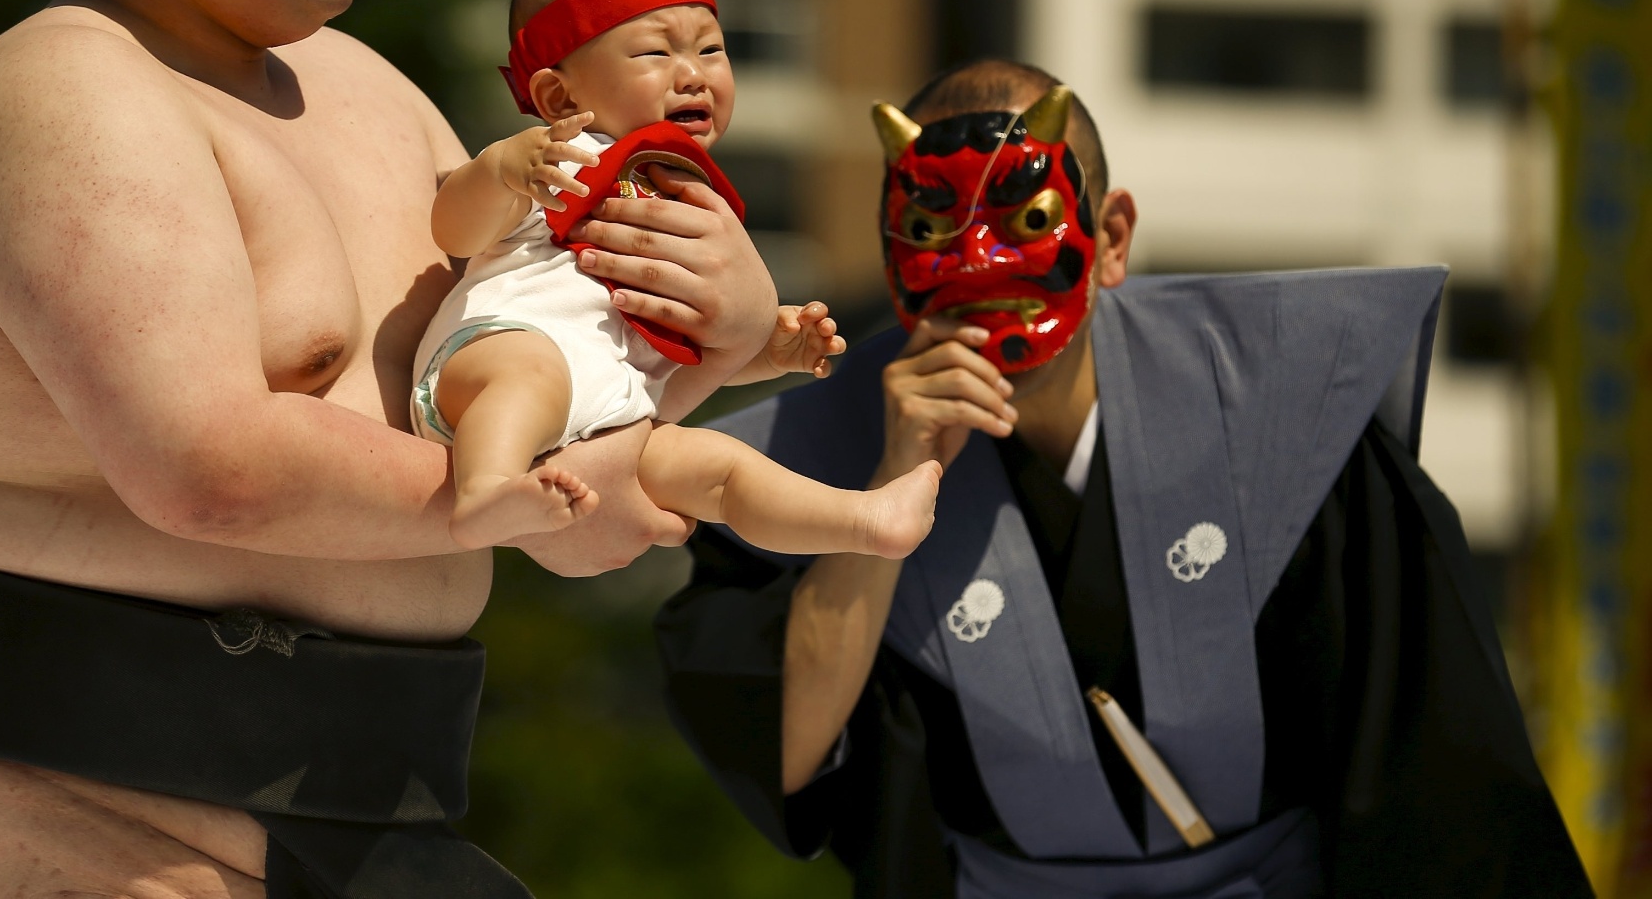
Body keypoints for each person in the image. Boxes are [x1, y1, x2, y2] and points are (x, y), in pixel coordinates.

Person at [0, 0, 783, 899]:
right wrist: (517, 498)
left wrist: (713, 348)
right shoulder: (62, 94)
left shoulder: (376, 98)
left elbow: (528, 402)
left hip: (381, 814)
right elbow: (210, 468)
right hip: (104, 826)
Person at [655, 59, 1592, 898]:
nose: (979, 265)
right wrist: (886, 496)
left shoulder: (1284, 411)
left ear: (1109, 238)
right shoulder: (804, 464)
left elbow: (1440, 778)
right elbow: (782, 753)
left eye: (1026, 218)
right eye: (934, 227)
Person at [416, 0, 943, 555]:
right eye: (654, 53)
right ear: (560, 96)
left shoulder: (688, 199)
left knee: (724, 468)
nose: (693, 74)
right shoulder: (555, 159)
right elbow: (453, 230)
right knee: (531, 372)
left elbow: (678, 349)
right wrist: (500, 169)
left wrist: (769, 355)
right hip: (489, 360)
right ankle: (485, 491)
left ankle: (863, 524)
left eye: (712, 49)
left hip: (603, 418)